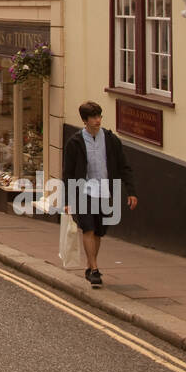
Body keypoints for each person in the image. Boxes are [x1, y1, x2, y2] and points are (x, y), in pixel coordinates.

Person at [62, 101, 137, 288]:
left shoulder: (111, 140)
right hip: (84, 192)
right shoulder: (75, 142)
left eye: (99, 116)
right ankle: (95, 270)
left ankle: (89, 266)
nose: (98, 120)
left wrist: (131, 191)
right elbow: (68, 173)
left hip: (104, 191)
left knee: (98, 232)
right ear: (84, 120)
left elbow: (124, 166)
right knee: (87, 228)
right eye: (93, 117)